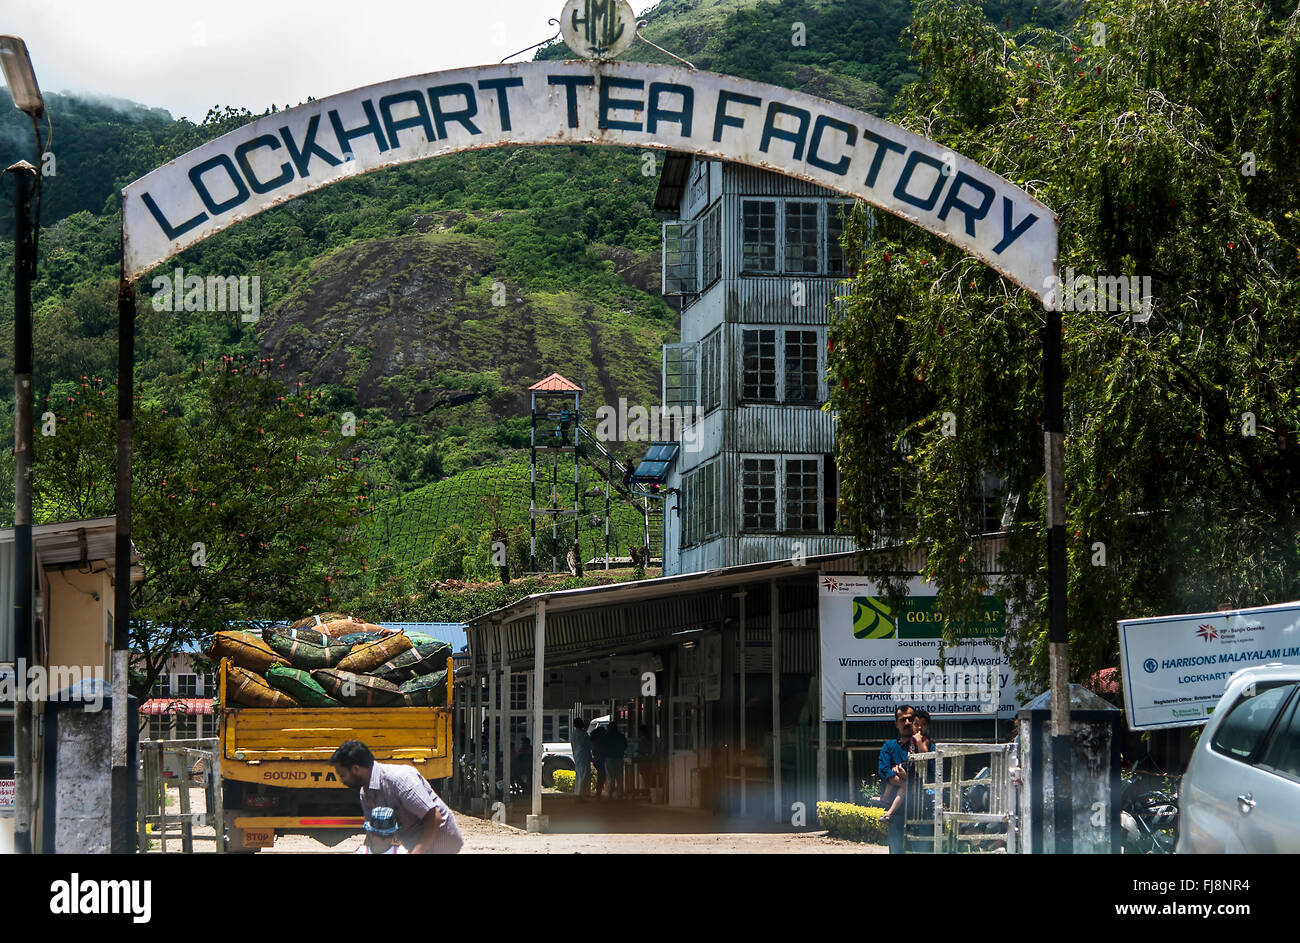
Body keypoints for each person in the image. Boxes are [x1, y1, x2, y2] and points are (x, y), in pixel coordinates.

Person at [331, 739, 464, 854]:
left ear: (355, 769)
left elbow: (434, 817)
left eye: (342, 775)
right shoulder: (365, 793)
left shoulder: (399, 779)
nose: (341, 781)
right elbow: (372, 832)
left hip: (440, 841)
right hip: (414, 844)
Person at [878, 705, 914, 854]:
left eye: (910, 719)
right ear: (896, 724)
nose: (906, 723)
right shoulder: (889, 746)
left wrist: (907, 781)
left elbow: (930, 773)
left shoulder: (924, 746)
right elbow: (884, 770)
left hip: (920, 805)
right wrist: (907, 783)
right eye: (902, 720)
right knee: (896, 848)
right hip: (897, 807)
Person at [603, 719, 629, 800]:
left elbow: (603, 747)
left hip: (609, 758)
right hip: (619, 758)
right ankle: (619, 794)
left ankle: (610, 794)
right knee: (619, 777)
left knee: (610, 777)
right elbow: (625, 745)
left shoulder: (606, 736)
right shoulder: (621, 736)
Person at [570, 716, 592, 800]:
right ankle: (581, 794)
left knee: (579, 774)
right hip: (584, 755)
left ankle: (579, 793)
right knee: (584, 774)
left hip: (577, 755)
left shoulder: (573, 733)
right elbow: (589, 745)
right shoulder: (583, 733)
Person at [589, 720, 610, 799]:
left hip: (596, 760)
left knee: (601, 776)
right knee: (603, 776)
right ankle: (599, 792)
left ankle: (599, 792)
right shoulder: (602, 741)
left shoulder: (594, 740)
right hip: (602, 759)